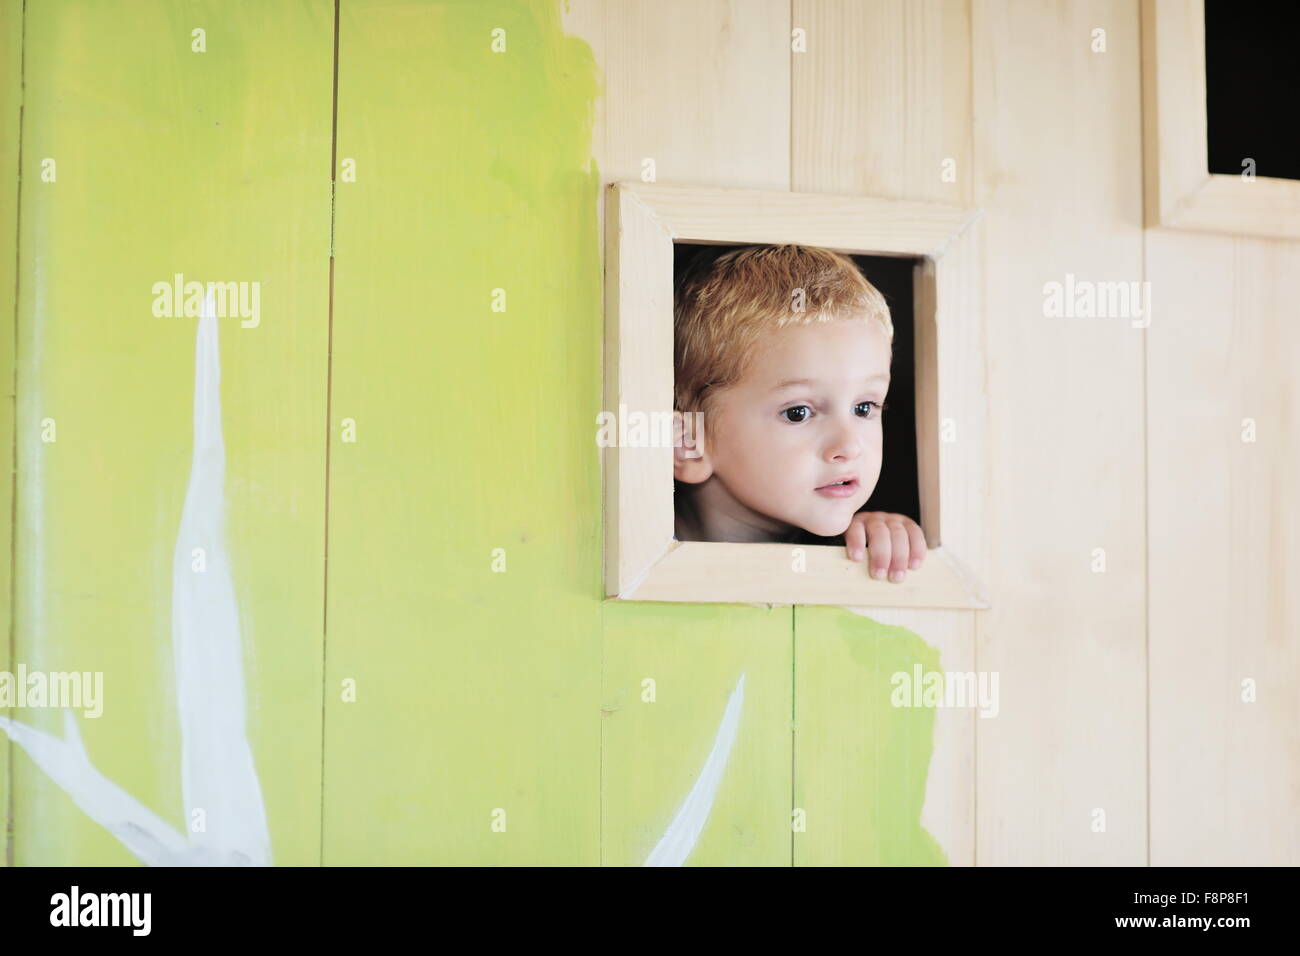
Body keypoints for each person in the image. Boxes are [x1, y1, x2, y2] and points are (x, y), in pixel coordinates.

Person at [672, 244, 926, 584]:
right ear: (688, 443)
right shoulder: (630, 545)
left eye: (863, 408)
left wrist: (870, 542)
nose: (849, 447)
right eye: (798, 413)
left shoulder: (852, 548)